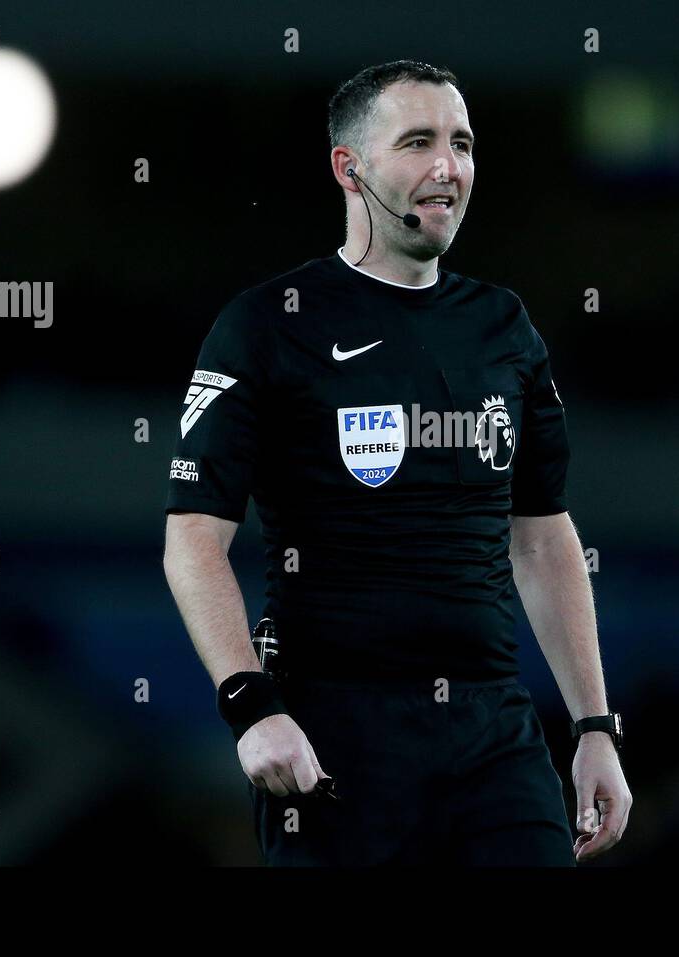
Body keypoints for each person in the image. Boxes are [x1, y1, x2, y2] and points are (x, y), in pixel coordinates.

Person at [162, 59, 630, 866]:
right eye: (418, 142)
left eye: (462, 143)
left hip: (496, 731)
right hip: (336, 735)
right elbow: (193, 543)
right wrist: (251, 705)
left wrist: (593, 726)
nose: (448, 166)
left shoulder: (504, 327)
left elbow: (543, 537)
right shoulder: (267, 326)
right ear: (350, 168)